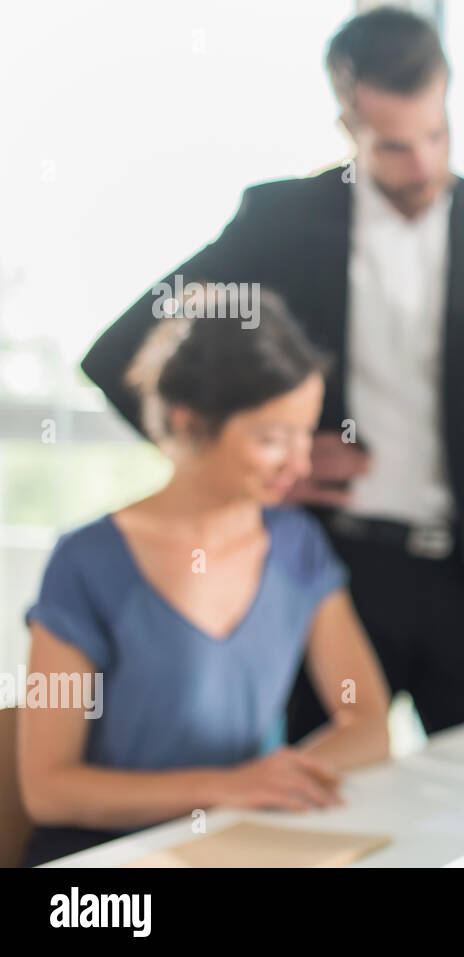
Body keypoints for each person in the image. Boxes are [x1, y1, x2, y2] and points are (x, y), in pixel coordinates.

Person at [79, 7, 464, 741]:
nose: (425, 166)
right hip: (327, 574)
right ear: (347, 124)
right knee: (316, 813)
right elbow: (118, 351)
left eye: (438, 136)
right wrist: (244, 464)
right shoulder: (282, 220)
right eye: (395, 146)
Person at [18, 294, 390, 866]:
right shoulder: (85, 563)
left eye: (303, 434)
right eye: (271, 438)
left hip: (235, 846)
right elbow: (49, 789)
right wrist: (229, 785)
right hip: (106, 866)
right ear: (189, 422)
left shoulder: (297, 548)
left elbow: (367, 720)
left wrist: (281, 777)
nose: (299, 465)